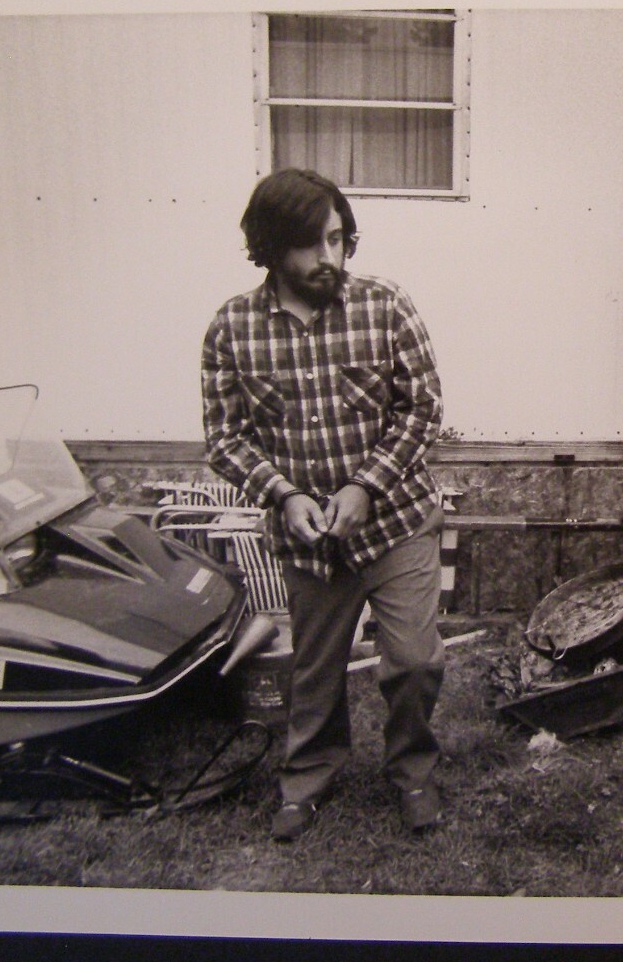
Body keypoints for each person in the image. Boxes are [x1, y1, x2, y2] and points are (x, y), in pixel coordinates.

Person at [202, 169, 446, 840]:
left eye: (338, 240)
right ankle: (307, 777)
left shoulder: (386, 306)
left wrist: (366, 485)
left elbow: (423, 409)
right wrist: (282, 497)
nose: (329, 260)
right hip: (309, 540)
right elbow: (224, 437)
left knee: (415, 661)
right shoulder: (232, 328)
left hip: (397, 523)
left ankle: (414, 772)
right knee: (314, 674)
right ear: (271, 247)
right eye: (311, 246)